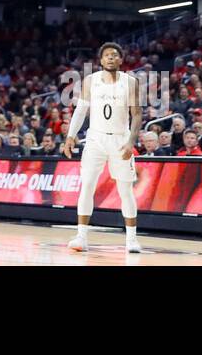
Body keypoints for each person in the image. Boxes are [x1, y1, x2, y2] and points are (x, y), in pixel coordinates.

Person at [62, 43, 143, 253]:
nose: (110, 58)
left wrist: (131, 142)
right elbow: (80, 111)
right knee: (87, 185)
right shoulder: (91, 81)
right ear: (101, 60)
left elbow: (137, 114)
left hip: (120, 140)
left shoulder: (130, 82)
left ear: (120, 60)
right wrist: (70, 136)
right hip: (95, 140)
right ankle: (81, 236)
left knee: (125, 189)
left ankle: (132, 239)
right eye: (107, 55)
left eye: (115, 55)